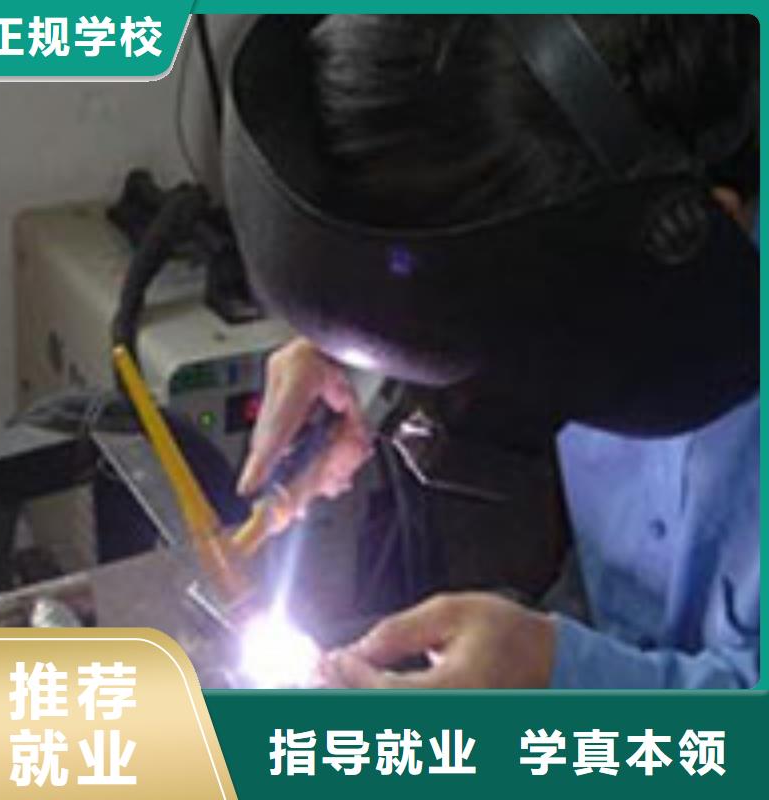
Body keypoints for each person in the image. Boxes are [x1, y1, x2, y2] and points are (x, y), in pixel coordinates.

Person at [231, 15, 759, 689]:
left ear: (689, 241)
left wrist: (556, 678)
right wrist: (369, 343)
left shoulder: (615, 280)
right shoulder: (591, 195)